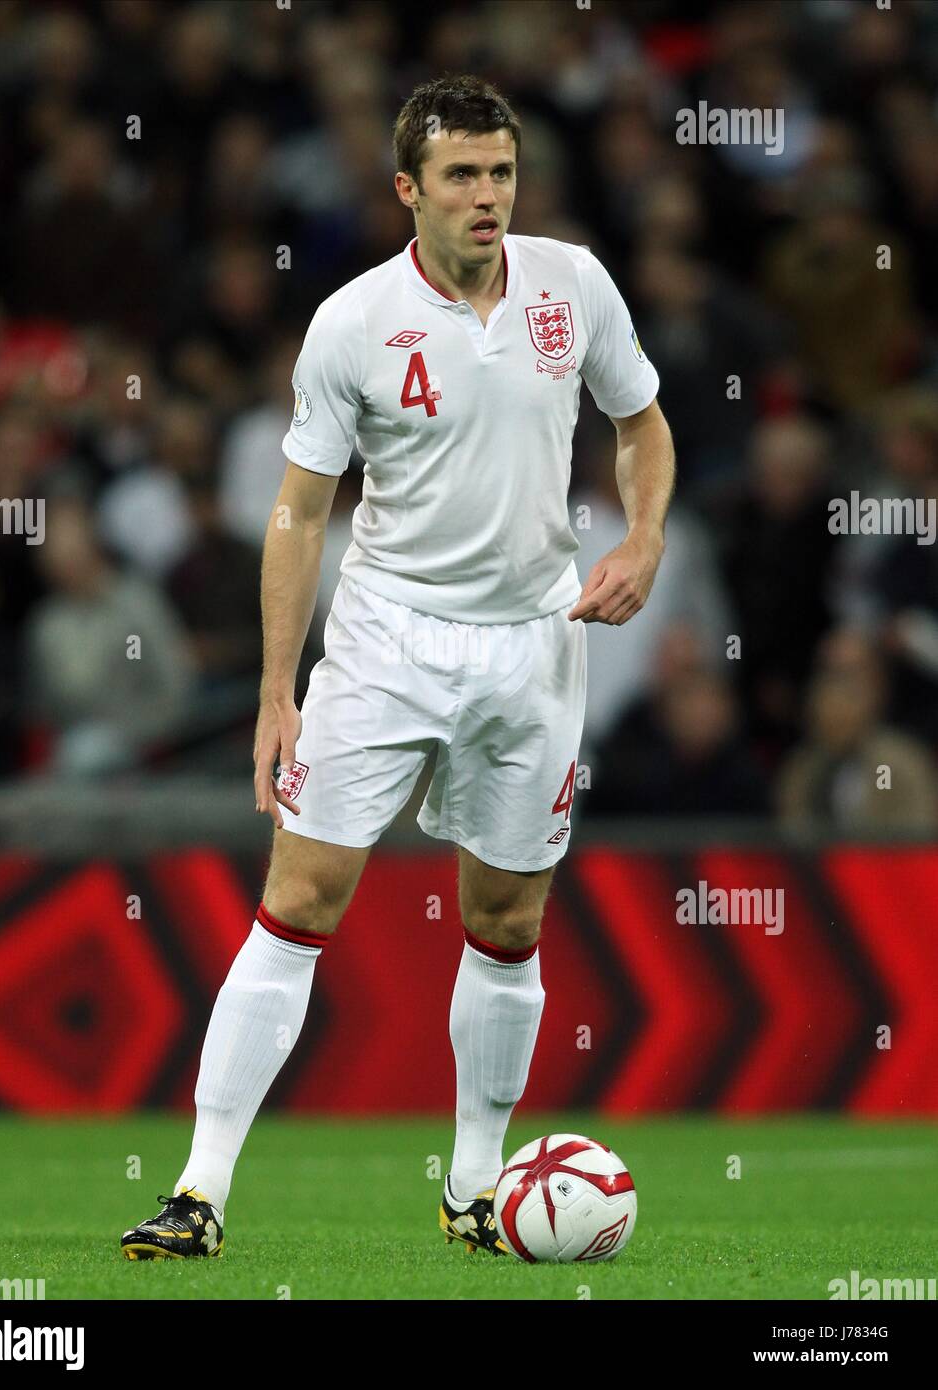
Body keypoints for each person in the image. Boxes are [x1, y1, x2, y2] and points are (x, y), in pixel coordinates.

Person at [121, 74, 674, 1262]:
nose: (488, 196)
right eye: (463, 175)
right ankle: (199, 1191)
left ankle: (475, 1189)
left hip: (533, 641)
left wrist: (643, 535)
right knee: (301, 896)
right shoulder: (354, 322)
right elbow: (298, 513)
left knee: (506, 918)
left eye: (502, 172)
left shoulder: (573, 287)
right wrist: (278, 689)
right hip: (388, 635)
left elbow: (641, 421)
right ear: (406, 191)